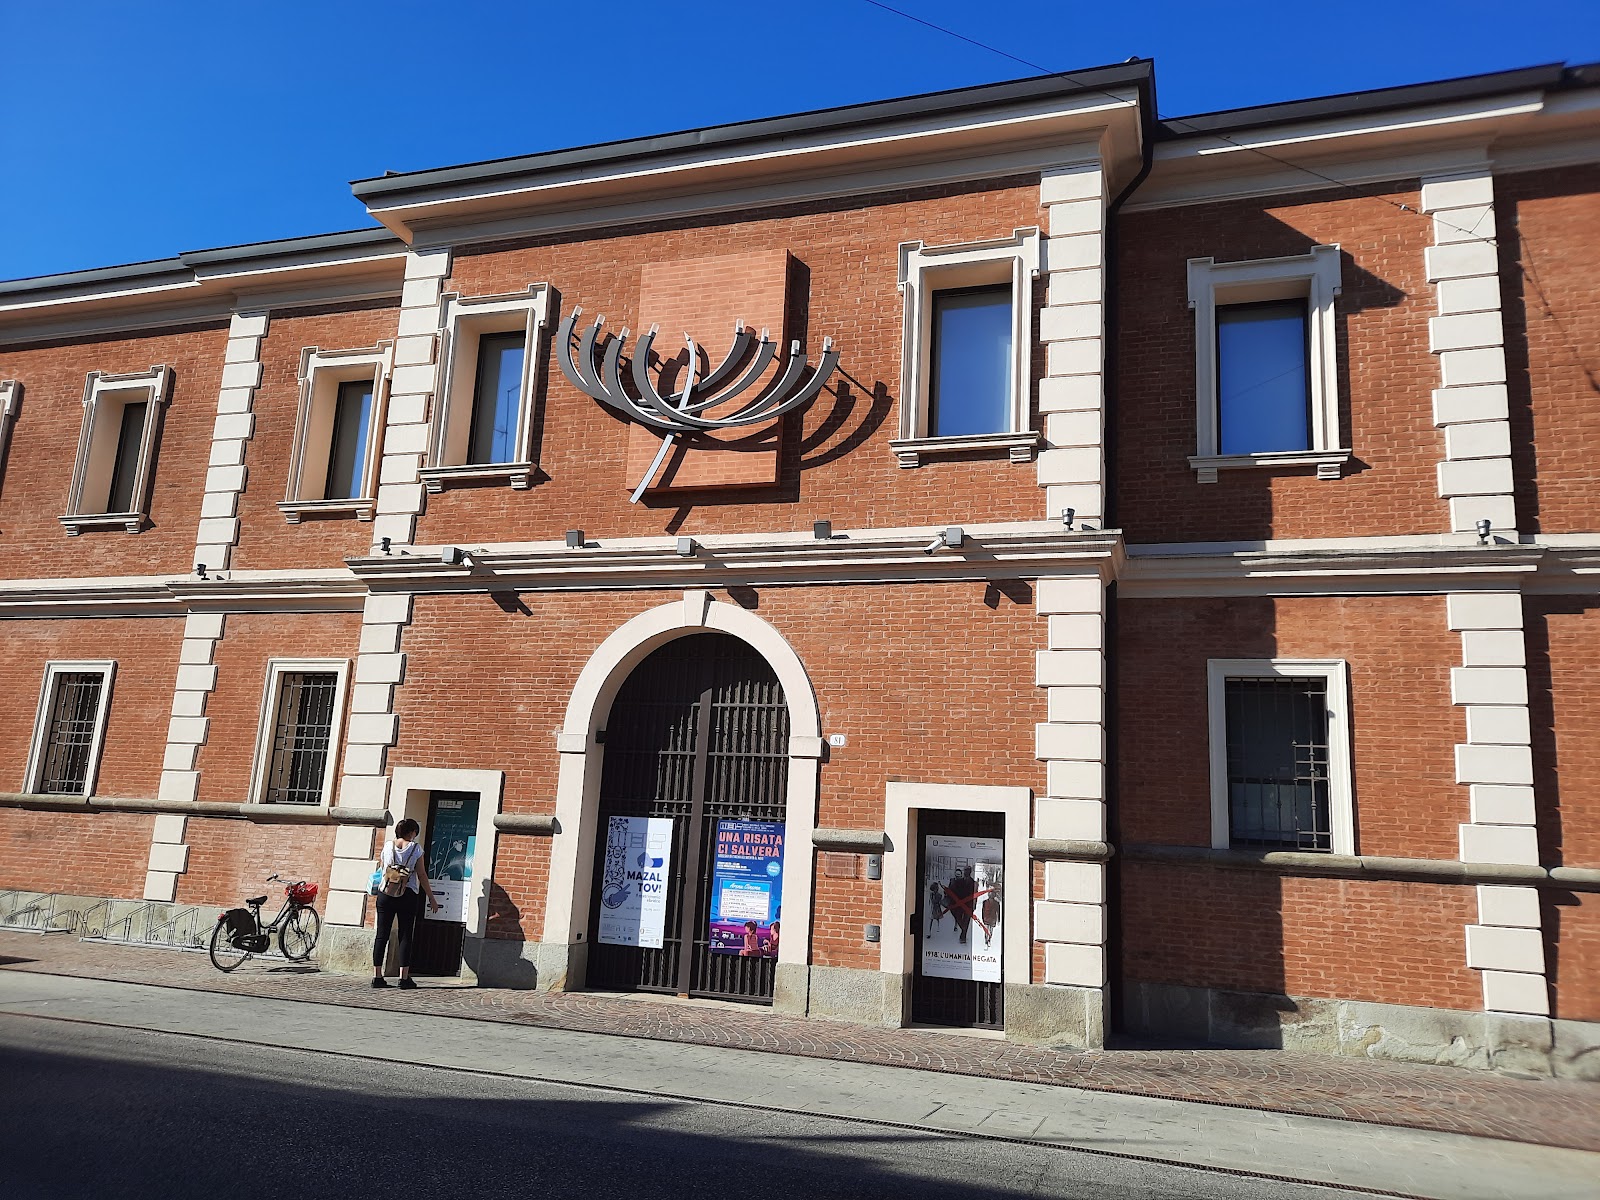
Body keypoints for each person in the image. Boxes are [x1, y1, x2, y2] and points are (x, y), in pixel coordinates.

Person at [372, 818, 440, 989]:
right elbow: (422, 875)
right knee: (405, 936)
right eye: (415, 832)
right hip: (407, 894)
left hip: (385, 893)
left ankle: (377, 976)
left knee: (382, 935)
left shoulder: (388, 846)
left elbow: (382, 866)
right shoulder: (416, 849)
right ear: (412, 832)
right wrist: (431, 897)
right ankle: (404, 978)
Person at [946, 867, 977, 946]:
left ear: (970, 872)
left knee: (966, 920)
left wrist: (974, 905)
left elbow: (975, 895)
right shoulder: (960, 881)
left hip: (969, 905)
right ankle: (963, 931)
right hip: (960, 904)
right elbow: (954, 889)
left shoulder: (973, 882)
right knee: (958, 916)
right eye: (965, 871)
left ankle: (963, 937)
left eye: (967, 871)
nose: (966, 872)